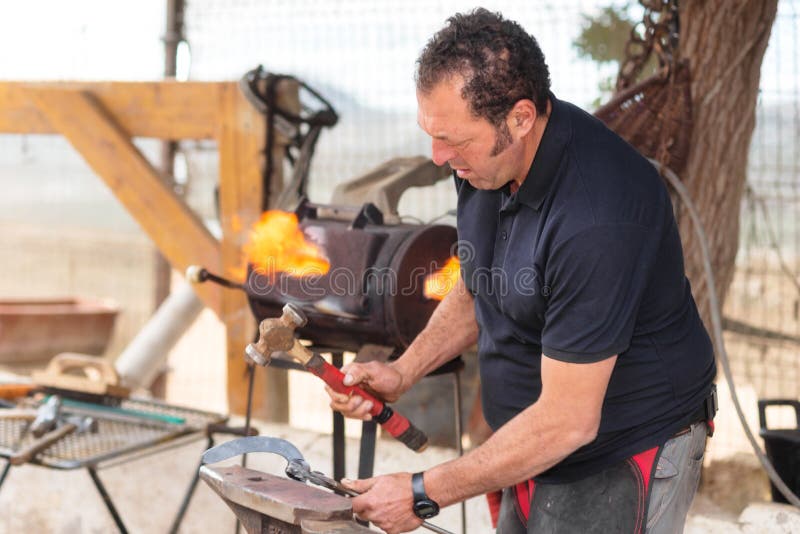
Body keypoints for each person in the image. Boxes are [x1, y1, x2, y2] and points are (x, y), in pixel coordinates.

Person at [326, 8, 717, 534]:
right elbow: (480, 280)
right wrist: (404, 370)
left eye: (455, 142)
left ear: (521, 117)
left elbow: (568, 420)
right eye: (432, 135)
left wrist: (422, 492)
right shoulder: (484, 163)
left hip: (621, 449)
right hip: (532, 445)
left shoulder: (596, 217)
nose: (439, 157)